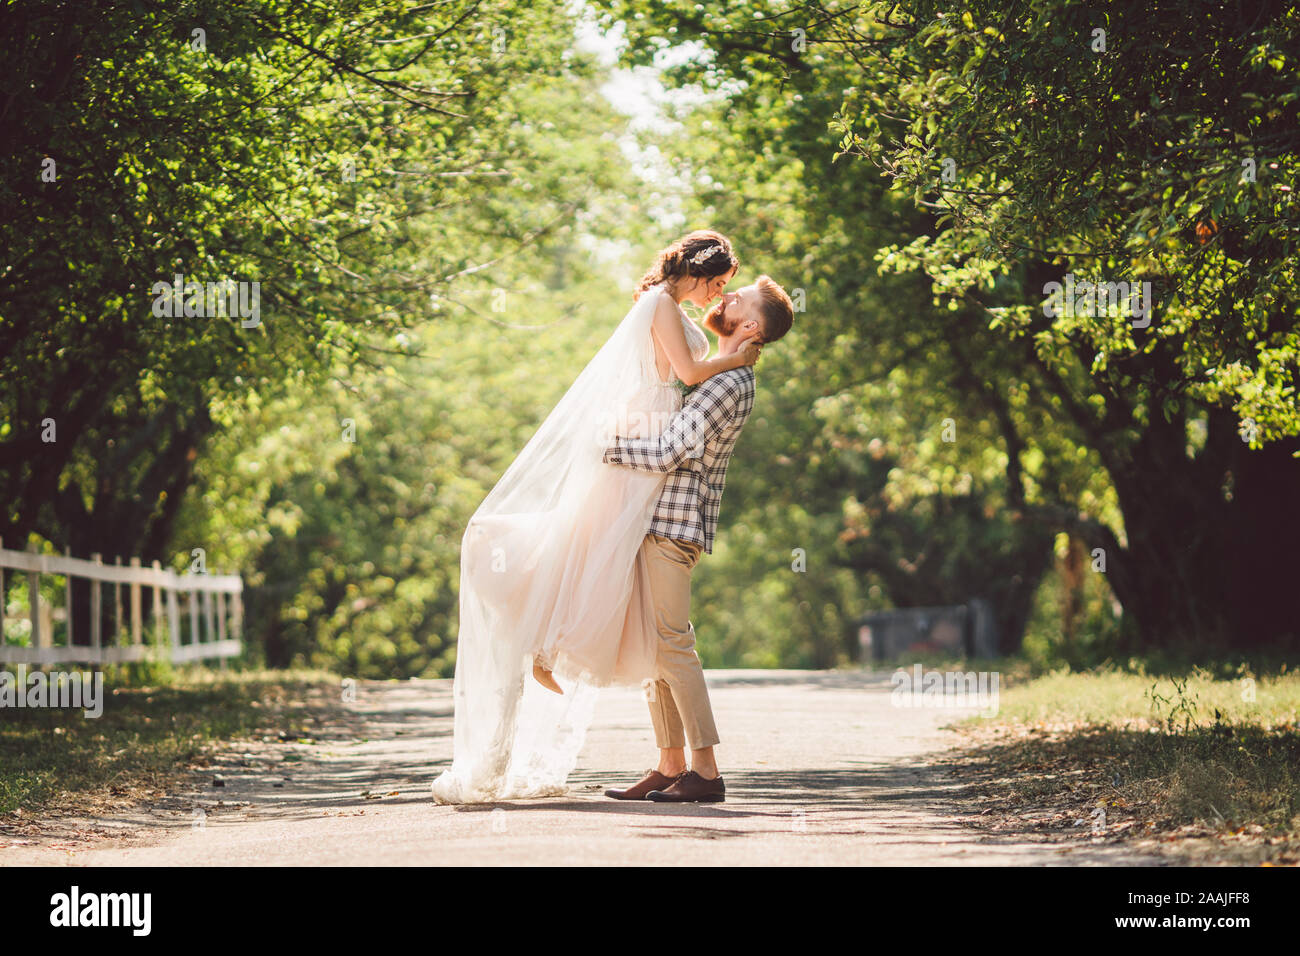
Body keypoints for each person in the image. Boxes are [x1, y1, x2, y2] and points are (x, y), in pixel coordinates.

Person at [431, 230, 761, 804]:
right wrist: (730, 357)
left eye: (730, 293)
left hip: (651, 458)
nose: (720, 296)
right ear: (704, 273)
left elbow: (688, 386)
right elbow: (685, 376)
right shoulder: (663, 305)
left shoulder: (687, 326)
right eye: (721, 284)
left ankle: (554, 644)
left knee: (603, 561)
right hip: (639, 444)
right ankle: (545, 637)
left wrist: (727, 361)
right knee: (586, 543)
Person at [601, 275, 795, 803]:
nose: (725, 299)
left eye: (738, 298)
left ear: (750, 326)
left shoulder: (729, 385)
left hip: (673, 528)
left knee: (673, 645)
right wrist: (656, 294)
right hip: (658, 523)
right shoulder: (720, 374)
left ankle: (706, 773)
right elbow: (666, 320)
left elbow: (669, 452)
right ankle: (669, 764)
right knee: (656, 647)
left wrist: (605, 448)